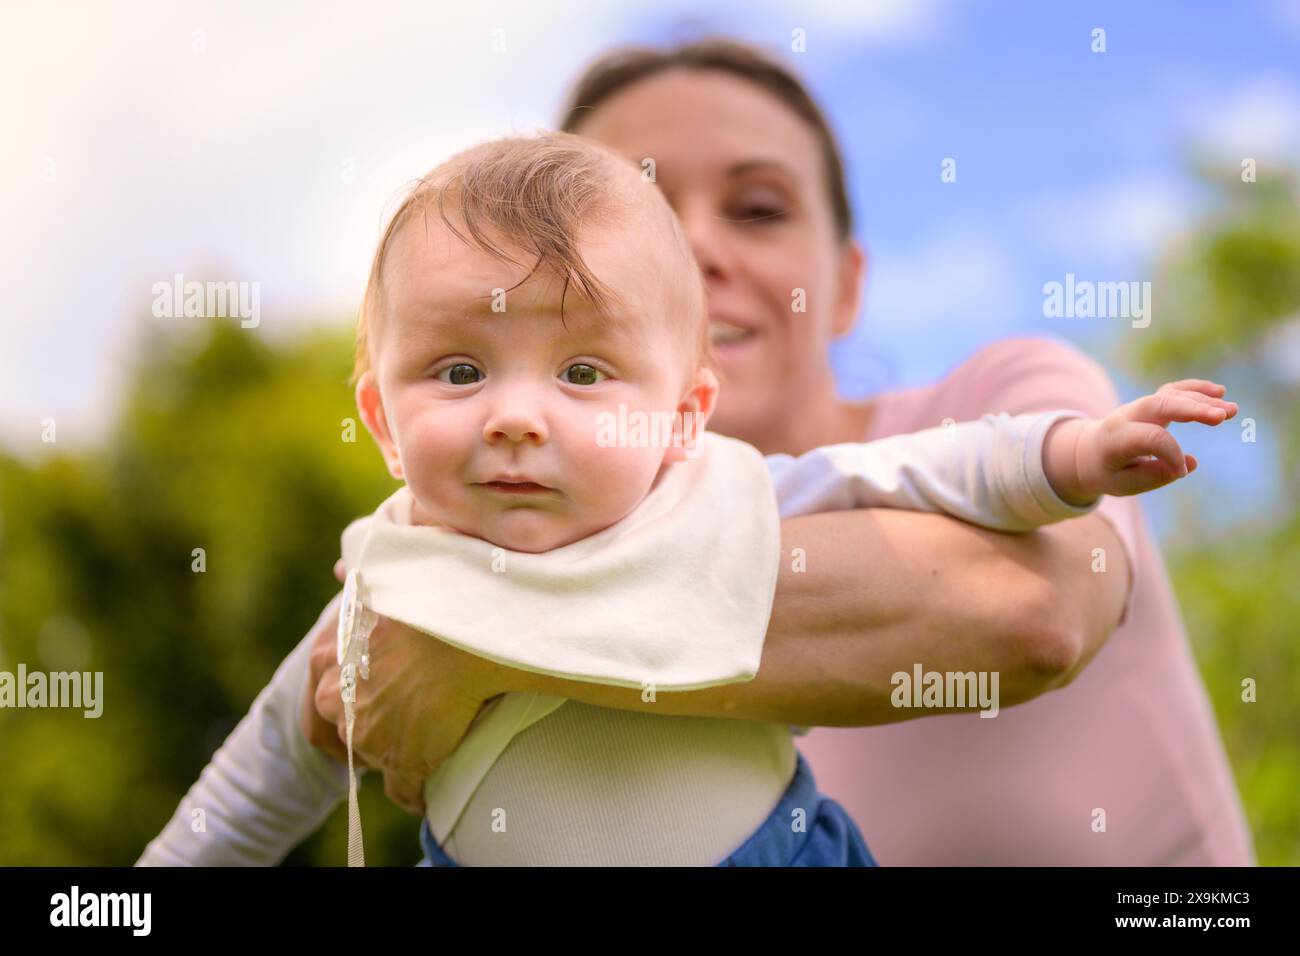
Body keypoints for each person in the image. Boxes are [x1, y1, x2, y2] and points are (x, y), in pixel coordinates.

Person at [137, 130, 1234, 867]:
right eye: (460, 371)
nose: (516, 415)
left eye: (581, 372)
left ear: (680, 416)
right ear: (379, 418)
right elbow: (255, 781)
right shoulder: (388, 580)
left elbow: (925, 470)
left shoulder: (712, 496)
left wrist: (1074, 451)